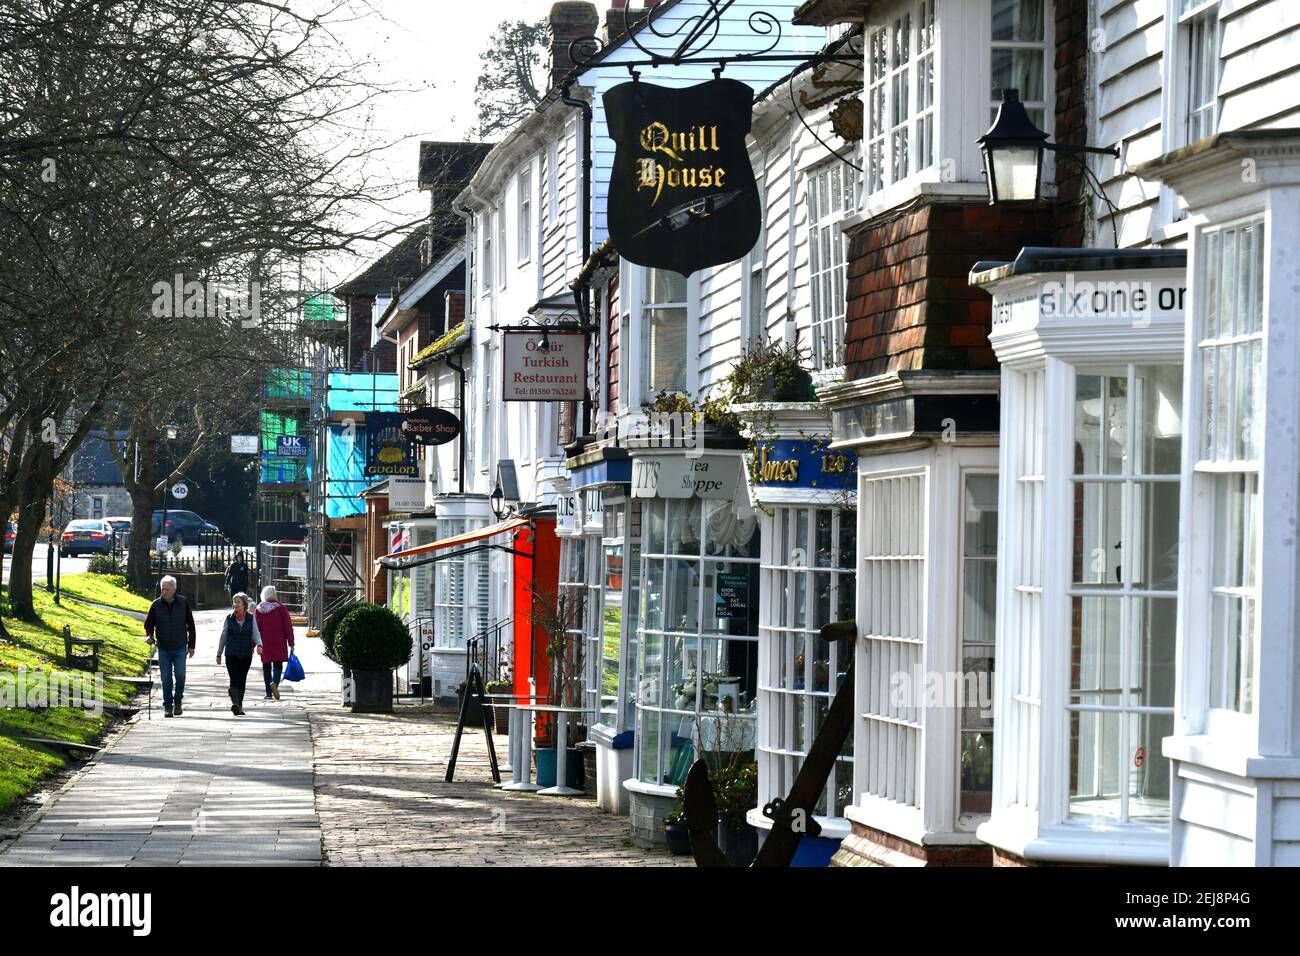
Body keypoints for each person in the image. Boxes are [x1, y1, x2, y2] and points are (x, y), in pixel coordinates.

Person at [144, 575, 196, 717]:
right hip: (163, 647)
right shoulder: (156, 605)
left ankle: (178, 700)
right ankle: (168, 707)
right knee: (166, 678)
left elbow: (190, 625)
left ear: (174, 589)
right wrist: (149, 635)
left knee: (180, 675)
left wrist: (191, 645)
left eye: (167, 589)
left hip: (180, 647)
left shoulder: (183, 603)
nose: (164, 592)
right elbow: (149, 624)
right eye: (162, 589)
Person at [216, 592, 261, 716]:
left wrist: (259, 645)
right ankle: (235, 703)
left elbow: (256, 633)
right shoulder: (229, 618)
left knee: (242, 680)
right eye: (234, 602)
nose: (235, 604)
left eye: (238, 602)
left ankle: (239, 706)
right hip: (231, 653)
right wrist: (219, 653)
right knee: (234, 678)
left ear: (245, 605)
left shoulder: (251, 618)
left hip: (246, 654)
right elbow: (223, 636)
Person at [253, 585, 295, 700]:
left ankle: (268, 693)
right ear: (274, 595)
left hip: (264, 642)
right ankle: (275, 685)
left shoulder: (259, 609)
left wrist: (254, 644)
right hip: (279, 641)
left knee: (266, 667)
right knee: (278, 665)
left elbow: (256, 628)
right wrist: (291, 642)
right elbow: (288, 626)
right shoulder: (281, 608)